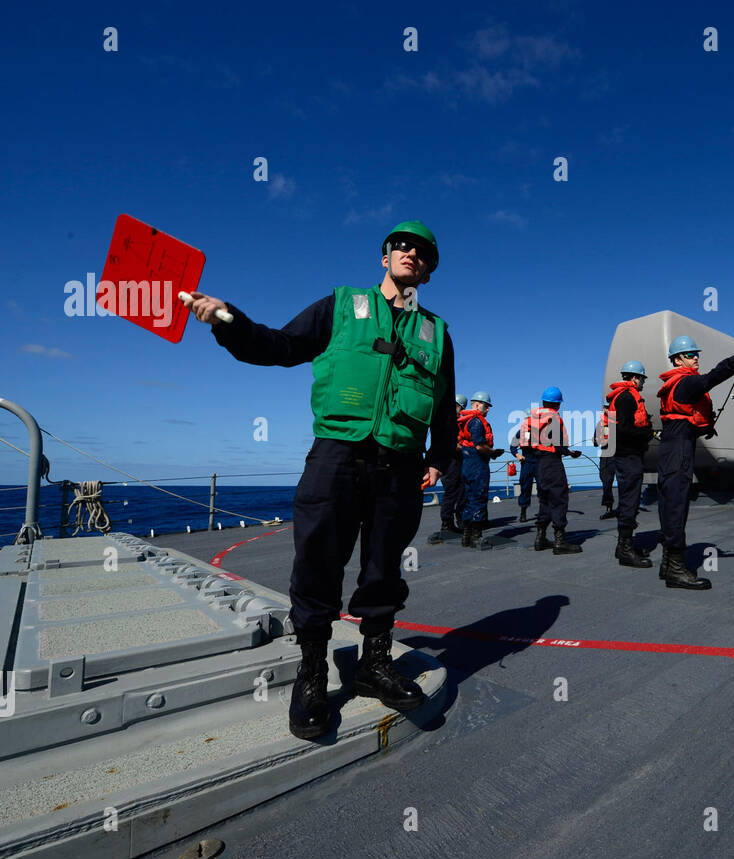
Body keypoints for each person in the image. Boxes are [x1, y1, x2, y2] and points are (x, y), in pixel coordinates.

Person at [185, 220, 454, 740]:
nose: (411, 254)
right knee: (316, 565)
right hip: (338, 457)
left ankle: (374, 664)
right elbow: (278, 346)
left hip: (400, 465)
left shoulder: (436, 332)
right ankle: (311, 673)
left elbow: (444, 406)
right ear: (384, 257)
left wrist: (439, 458)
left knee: (382, 570)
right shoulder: (340, 307)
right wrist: (226, 319)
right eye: (401, 246)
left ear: (430, 269)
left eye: (422, 252)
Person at [657, 334, 734, 589]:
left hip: (672, 445)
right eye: (690, 355)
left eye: (696, 353)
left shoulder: (674, 386)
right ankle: (676, 569)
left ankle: (667, 564)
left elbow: (680, 419)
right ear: (676, 360)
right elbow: (715, 376)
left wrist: (701, 428)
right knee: (676, 506)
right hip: (679, 451)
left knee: (669, 504)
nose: (695, 357)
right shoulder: (685, 382)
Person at [603, 360, 655, 567]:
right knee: (629, 500)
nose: (642, 382)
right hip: (628, 457)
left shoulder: (621, 397)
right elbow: (623, 429)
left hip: (627, 455)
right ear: (635, 378)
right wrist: (647, 433)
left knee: (630, 498)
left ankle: (626, 545)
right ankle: (625, 549)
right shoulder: (626, 398)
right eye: (642, 378)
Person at [523, 387, 584, 554]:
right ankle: (559, 541)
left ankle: (540, 537)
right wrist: (570, 453)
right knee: (559, 498)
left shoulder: (531, 419)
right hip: (552, 463)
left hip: (538, 463)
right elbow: (559, 445)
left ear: (543, 402)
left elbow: (524, 443)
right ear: (557, 404)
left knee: (544, 499)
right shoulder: (554, 418)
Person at [458, 391, 500, 547]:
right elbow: (480, 445)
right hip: (477, 463)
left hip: (466, 462)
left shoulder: (465, 421)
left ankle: (466, 535)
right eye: (486, 406)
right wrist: (493, 453)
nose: (488, 409)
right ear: (476, 405)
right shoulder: (476, 422)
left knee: (469, 498)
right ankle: (476, 536)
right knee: (479, 497)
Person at [438, 394, 468, 533]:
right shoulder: (447, 422)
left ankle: (461, 520)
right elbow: (449, 443)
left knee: (462, 490)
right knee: (450, 492)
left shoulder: (458, 422)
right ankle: (446, 523)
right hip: (450, 462)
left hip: (458, 461)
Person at [509, 423, 537, 523]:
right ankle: (523, 511)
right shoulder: (520, 432)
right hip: (527, 462)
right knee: (525, 487)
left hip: (541, 462)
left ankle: (545, 511)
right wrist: (517, 455)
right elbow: (512, 446)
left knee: (544, 487)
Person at [595, 408, 617, 520]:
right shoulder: (600, 424)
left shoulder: (617, 421)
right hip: (605, 454)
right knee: (605, 480)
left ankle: (624, 507)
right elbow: (595, 442)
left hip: (617, 453)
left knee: (621, 480)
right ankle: (609, 507)